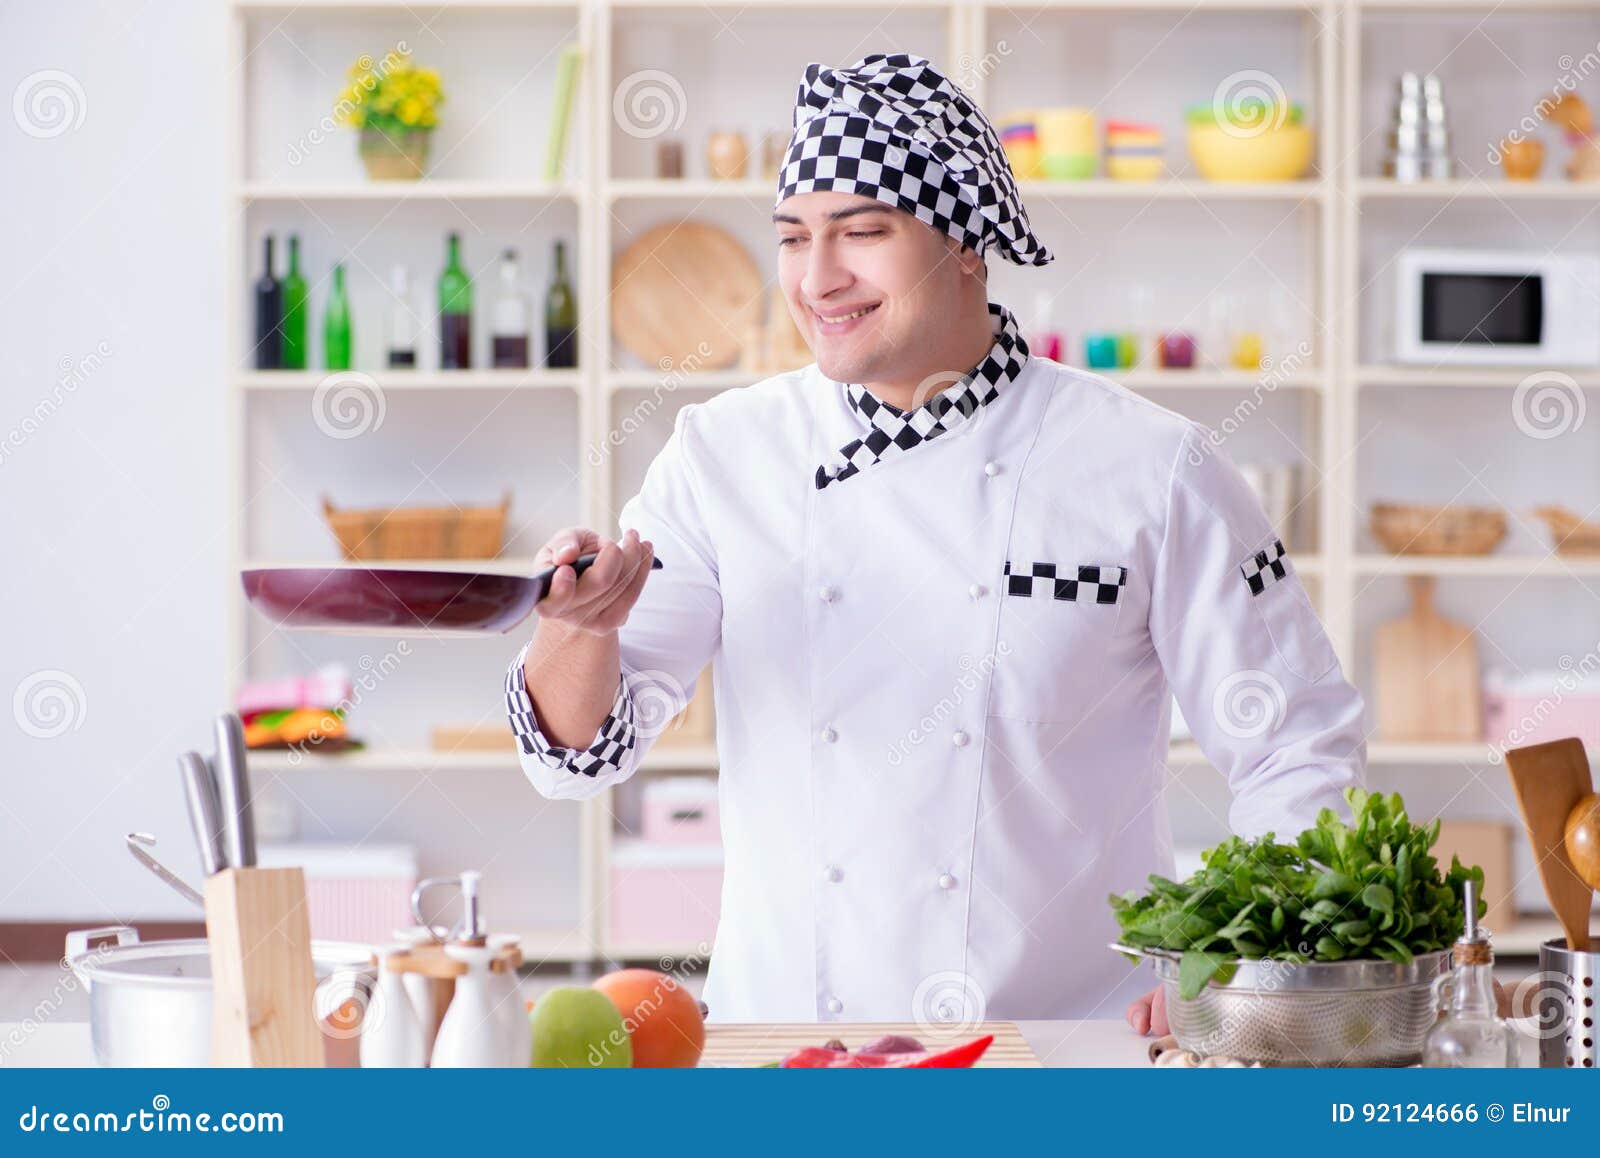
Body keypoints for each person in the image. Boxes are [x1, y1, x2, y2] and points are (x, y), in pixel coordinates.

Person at [504, 53, 1365, 1030]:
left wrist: (1234, 968)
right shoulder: (722, 455)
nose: (817, 278)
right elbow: (575, 760)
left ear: (965, 243)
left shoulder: (1149, 465)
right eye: (793, 238)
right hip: (789, 1047)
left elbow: (1295, 741)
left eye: (861, 233)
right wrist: (576, 629)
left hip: (1065, 1047)